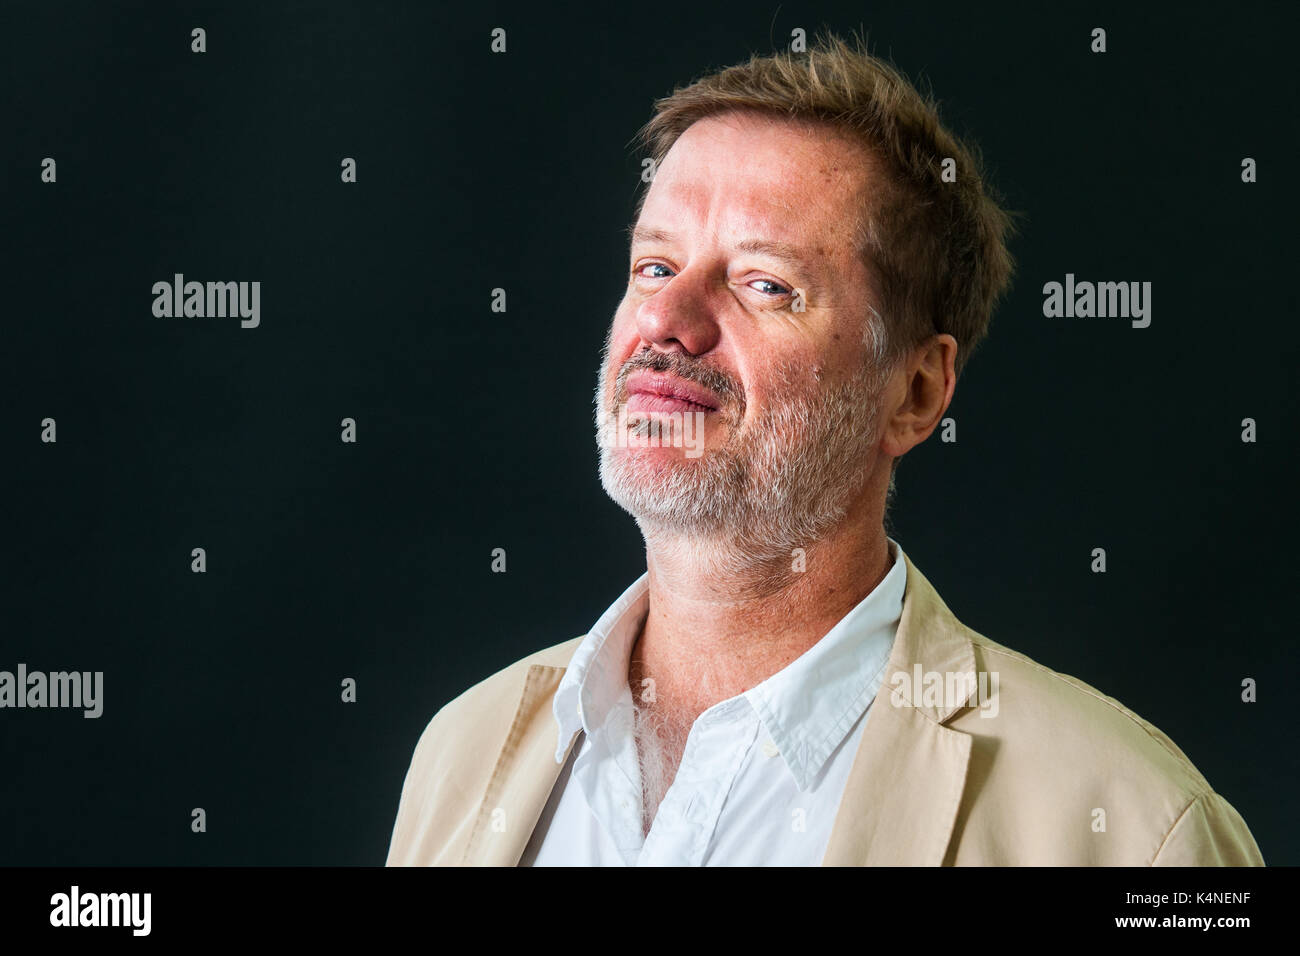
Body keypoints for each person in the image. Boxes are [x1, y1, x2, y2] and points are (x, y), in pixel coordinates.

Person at [386, 33, 1264, 866]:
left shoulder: (1133, 828)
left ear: (916, 393)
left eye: (766, 284)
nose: (664, 320)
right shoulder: (464, 753)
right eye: (654, 267)